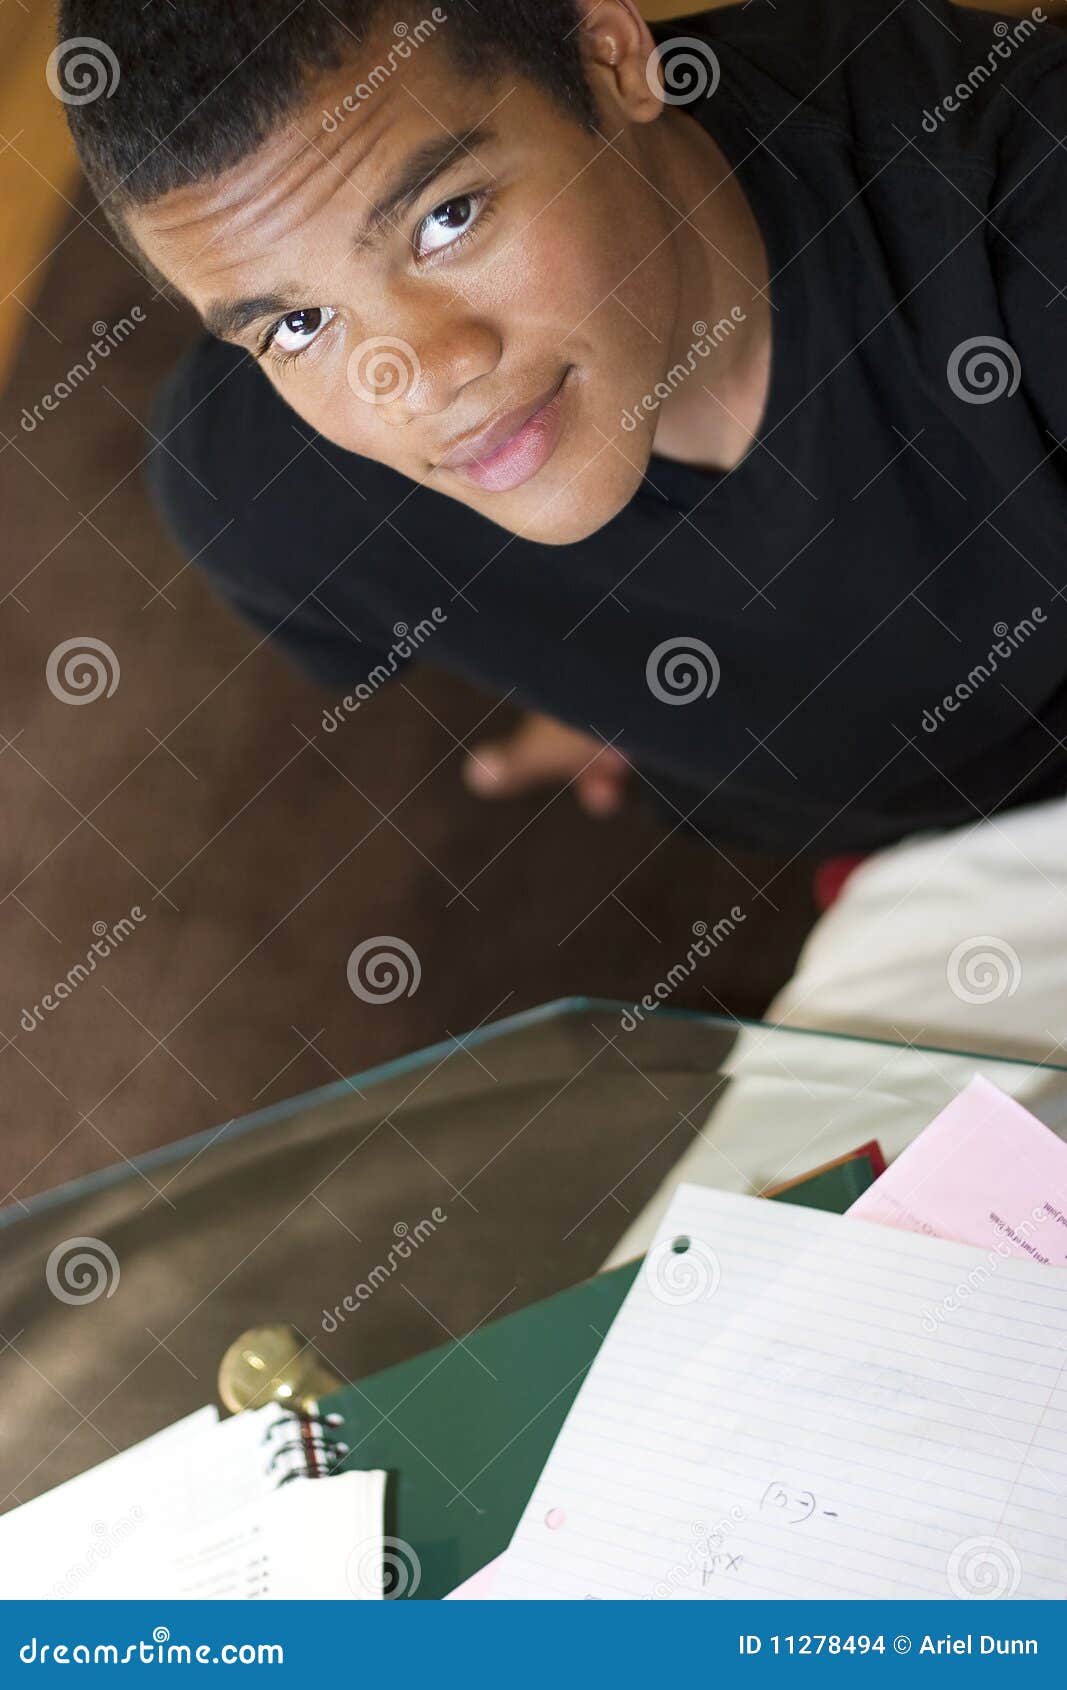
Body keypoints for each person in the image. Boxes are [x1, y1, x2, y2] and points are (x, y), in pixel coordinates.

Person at [56, 0, 1067, 866]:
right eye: (297, 324)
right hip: (861, 850)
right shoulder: (265, 496)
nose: (415, 380)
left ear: (608, 55)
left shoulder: (1020, 219)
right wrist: (624, 692)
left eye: (446, 220)